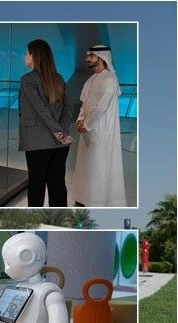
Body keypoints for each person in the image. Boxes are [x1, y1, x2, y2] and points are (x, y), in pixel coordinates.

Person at [18, 39, 74, 207]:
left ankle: (35, 224)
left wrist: (58, 131)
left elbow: (40, 110)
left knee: (36, 185)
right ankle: (58, 223)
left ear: (34, 56)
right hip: (60, 144)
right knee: (57, 185)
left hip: (38, 142)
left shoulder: (28, 79)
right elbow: (69, 108)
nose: (25, 57)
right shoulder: (58, 78)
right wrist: (61, 132)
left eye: (26, 53)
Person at [73, 45, 127, 207]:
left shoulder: (109, 80)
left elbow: (101, 107)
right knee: (86, 167)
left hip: (101, 131)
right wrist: (80, 119)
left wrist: (87, 124)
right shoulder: (91, 80)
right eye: (88, 55)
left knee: (99, 167)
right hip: (88, 131)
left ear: (101, 57)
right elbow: (85, 103)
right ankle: (84, 198)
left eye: (91, 55)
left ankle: (97, 202)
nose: (87, 58)